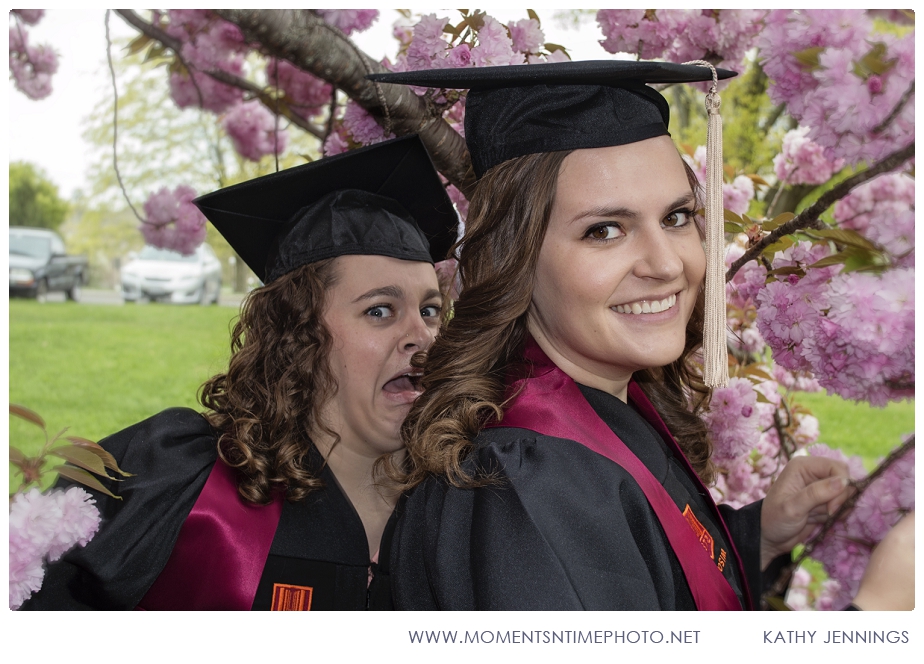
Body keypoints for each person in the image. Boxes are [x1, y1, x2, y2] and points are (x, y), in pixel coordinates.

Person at [369, 61, 911, 610]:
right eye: (605, 231)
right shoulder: (520, 485)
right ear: (515, 259)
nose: (665, 263)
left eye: (676, 218)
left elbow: (647, 582)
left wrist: (758, 537)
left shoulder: (607, 407)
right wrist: (881, 613)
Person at [19, 135, 459, 611]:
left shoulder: (464, 511)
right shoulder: (179, 484)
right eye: (380, 310)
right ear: (298, 334)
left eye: (431, 310)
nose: (423, 336)